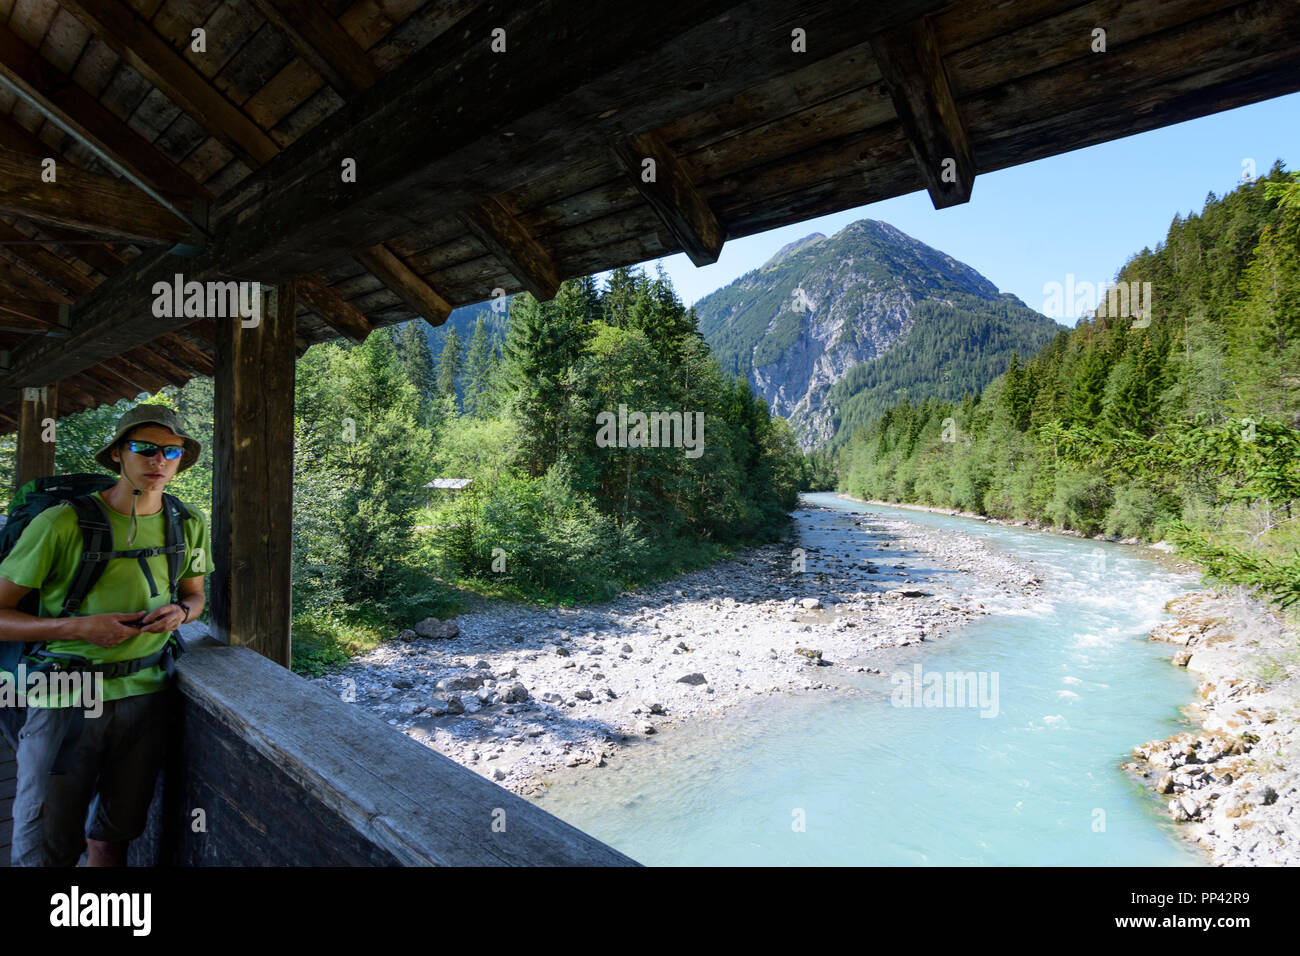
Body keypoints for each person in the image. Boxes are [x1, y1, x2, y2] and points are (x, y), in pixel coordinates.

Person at [0, 404, 210, 866]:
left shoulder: (187, 523)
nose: (159, 461)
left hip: (147, 692)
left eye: (171, 452)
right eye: (144, 449)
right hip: (65, 692)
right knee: (45, 844)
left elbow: (196, 598)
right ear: (117, 454)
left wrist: (179, 612)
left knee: (115, 835)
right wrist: (76, 626)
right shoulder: (61, 523)